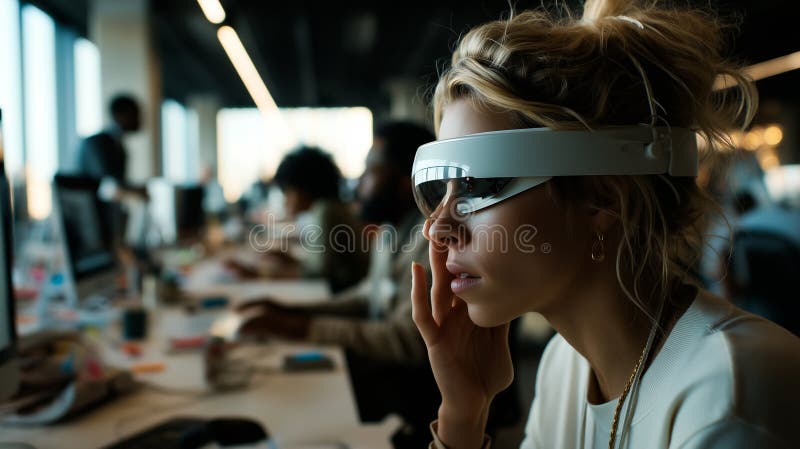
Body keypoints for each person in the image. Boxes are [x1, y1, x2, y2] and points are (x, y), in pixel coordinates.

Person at [408, 1, 800, 449]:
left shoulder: (732, 396)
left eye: (477, 187)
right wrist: (462, 415)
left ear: (602, 197)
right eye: (440, 192)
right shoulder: (566, 367)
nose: (437, 229)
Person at [236, 122, 441, 445]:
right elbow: (366, 296)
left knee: (287, 406)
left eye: (371, 171)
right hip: (383, 373)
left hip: (415, 402)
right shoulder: (391, 231)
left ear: (406, 182)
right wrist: (294, 311)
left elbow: (409, 341)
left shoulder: (434, 242)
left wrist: (301, 327)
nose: (359, 183)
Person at [230, 146, 369, 293]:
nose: (285, 201)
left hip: (346, 299)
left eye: (288, 192)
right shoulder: (329, 208)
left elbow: (319, 276)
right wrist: (291, 260)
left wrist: (260, 274)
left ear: (305, 188)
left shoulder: (326, 211)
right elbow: (322, 267)